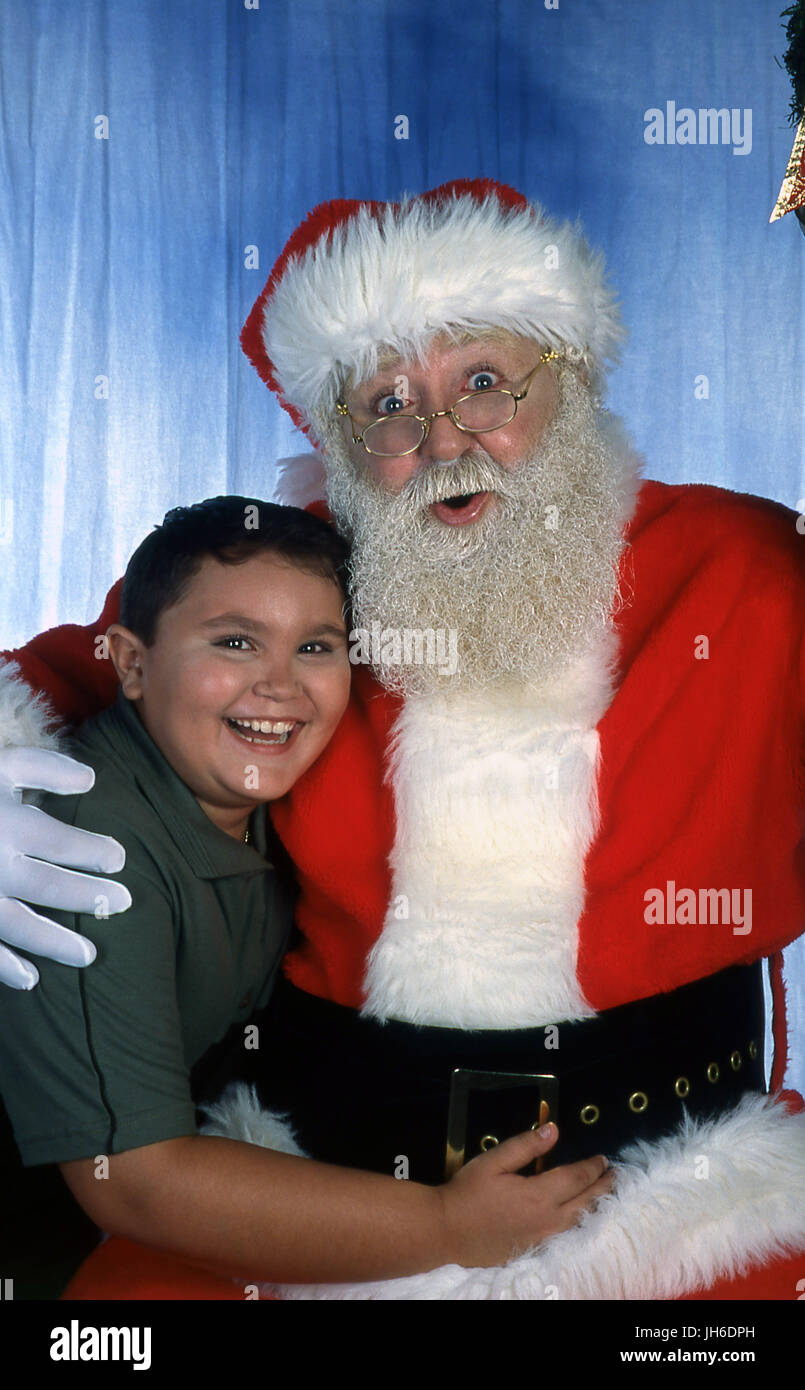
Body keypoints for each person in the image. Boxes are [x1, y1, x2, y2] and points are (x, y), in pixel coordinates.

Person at [1, 178, 804, 1300]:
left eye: (483, 382)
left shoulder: (746, 567)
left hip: (686, 1199)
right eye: (387, 404)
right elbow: (82, 666)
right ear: (340, 443)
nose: (442, 438)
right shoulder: (300, 579)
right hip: (307, 1187)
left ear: (565, 380)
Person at [0, 493, 614, 1297]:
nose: (279, 686)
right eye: (235, 642)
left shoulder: (258, 802)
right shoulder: (82, 852)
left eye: (316, 647)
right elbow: (137, 1181)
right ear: (132, 662)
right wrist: (448, 1228)